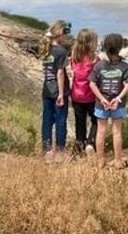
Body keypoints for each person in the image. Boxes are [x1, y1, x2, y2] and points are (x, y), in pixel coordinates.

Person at [89, 33, 128, 170]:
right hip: (118, 104)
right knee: (117, 131)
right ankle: (117, 160)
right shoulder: (124, 66)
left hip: (101, 103)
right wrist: (119, 98)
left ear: (105, 48)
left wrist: (102, 99)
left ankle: (100, 161)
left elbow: (92, 83)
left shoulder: (99, 66)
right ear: (120, 48)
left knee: (101, 131)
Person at [39, 20, 71, 164]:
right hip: (58, 90)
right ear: (59, 35)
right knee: (60, 120)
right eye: (65, 34)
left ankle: (46, 149)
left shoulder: (46, 49)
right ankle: (60, 150)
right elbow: (60, 73)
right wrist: (60, 94)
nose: (66, 37)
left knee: (47, 120)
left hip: (47, 88)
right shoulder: (61, 51)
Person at [69, 28, 100, 155]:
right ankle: (91, 143)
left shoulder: (74, 57)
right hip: (91, 96)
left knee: (79, 122)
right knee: (96, 120)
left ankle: (79, 144)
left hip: (77, 94)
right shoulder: (94, 59)